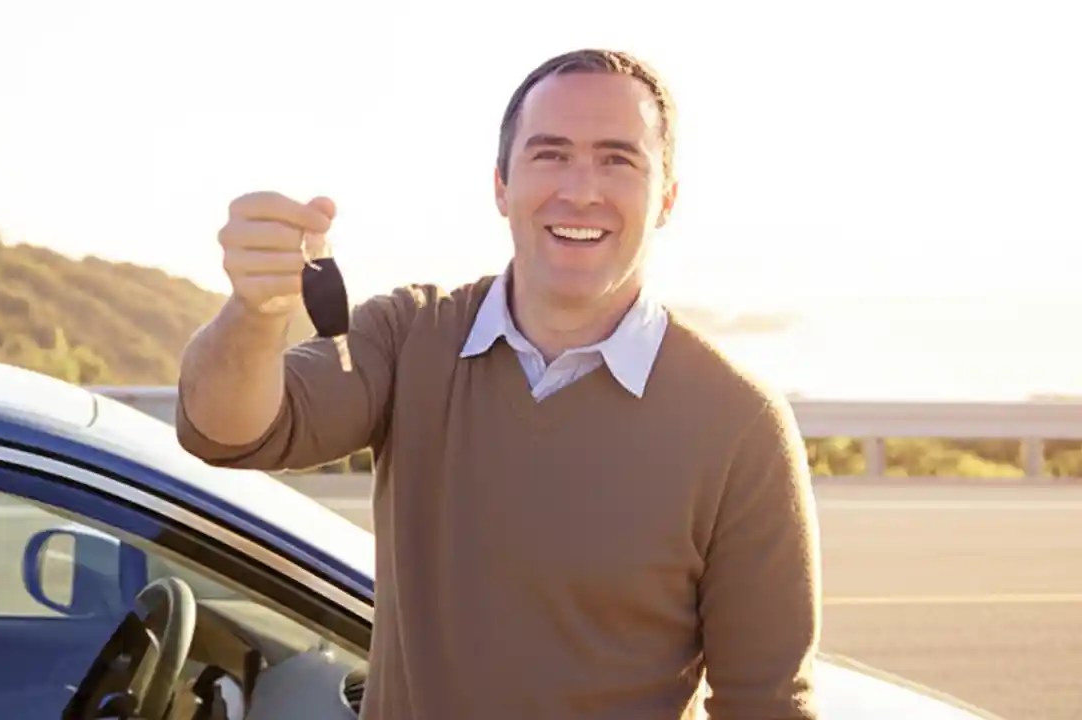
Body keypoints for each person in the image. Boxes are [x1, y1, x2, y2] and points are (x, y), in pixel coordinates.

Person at [176, 48, 822, 720]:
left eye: (617, 160)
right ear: (501, 187)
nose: (580, 190)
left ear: (667, 197)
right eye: (550, 154)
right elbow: (232, 431)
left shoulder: (739, 425)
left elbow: (767, 704)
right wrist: (255, 314)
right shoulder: (410, 339)